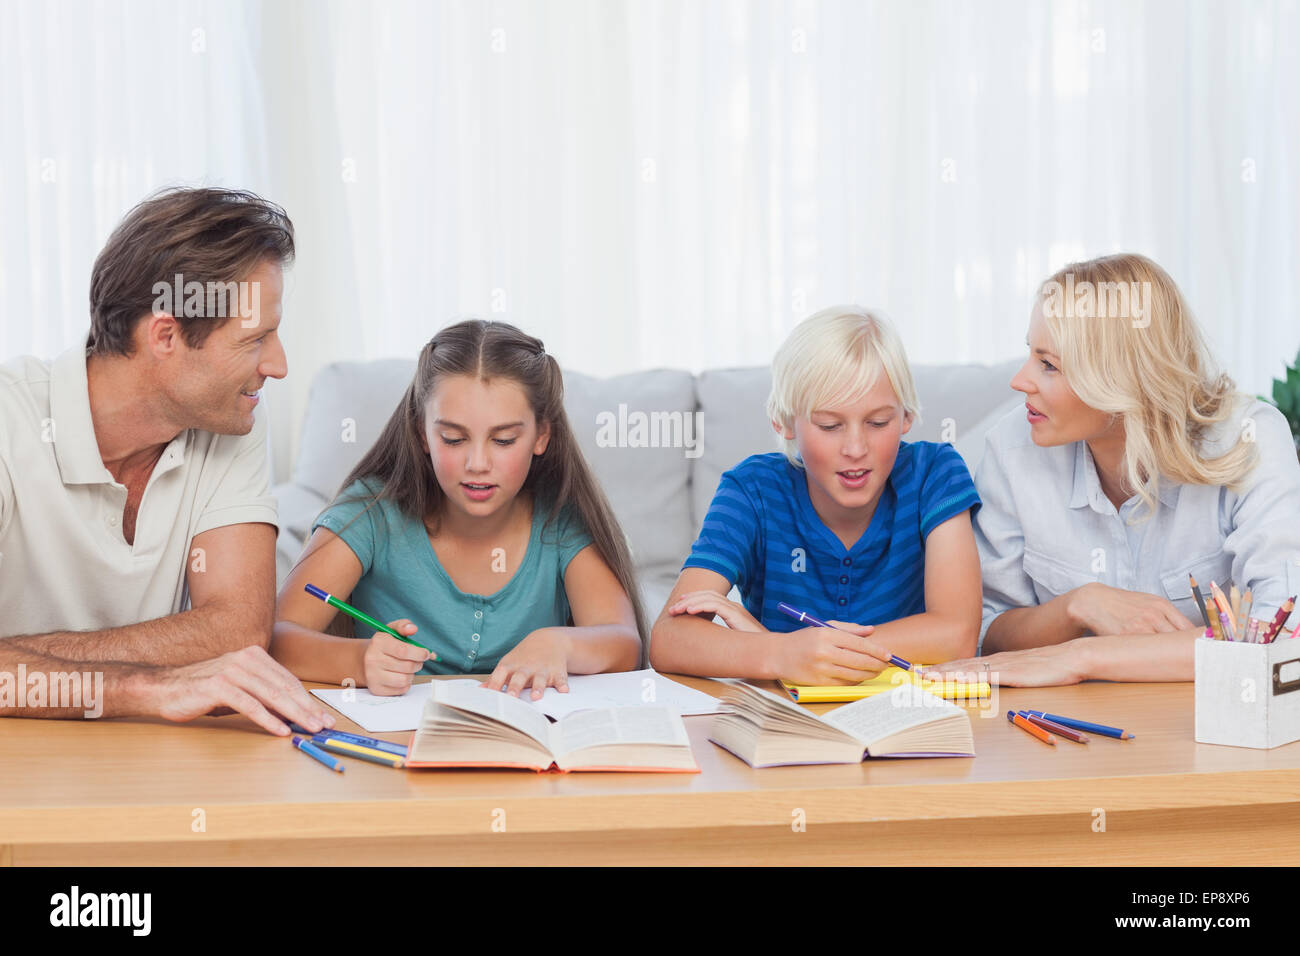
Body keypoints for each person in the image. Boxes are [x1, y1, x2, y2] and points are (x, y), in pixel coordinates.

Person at [0, 187, 335, 735]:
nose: (278, 365)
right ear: (166, 335)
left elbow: (236, 631)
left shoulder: (231, 417)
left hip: (158, 760)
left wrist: (23, 662)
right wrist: (145, 685)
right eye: (255, 340)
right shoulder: (8, 423)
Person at [921, 253, 1300, 687]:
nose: (1019, 380)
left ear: (1119, 379)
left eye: (1049, 364)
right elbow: (990, 632)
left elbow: (1284, 635)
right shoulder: (1013, 448)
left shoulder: (1250, 438)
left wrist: (1084, 656)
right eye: (1031, 353)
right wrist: (1076, 606)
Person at [271, 319, 644, 700]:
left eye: (503, 440)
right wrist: (359, 660)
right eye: (453, 438)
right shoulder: (371, 512)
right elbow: (278, 637)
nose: (477, 463)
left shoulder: (560, 521)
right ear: (423, 433)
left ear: (541, 436)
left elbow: (622, 642)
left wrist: (559, 645)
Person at [649, 306, 983, 684]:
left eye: (878, 423)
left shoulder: (934, 474)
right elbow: (669, 638)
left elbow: (957, 635)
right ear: (785, 421)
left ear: (906, 417)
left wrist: (788, 647)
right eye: (829, 425)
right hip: (786, 719)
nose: (856, 448)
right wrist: (780, 653)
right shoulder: (752, 490)